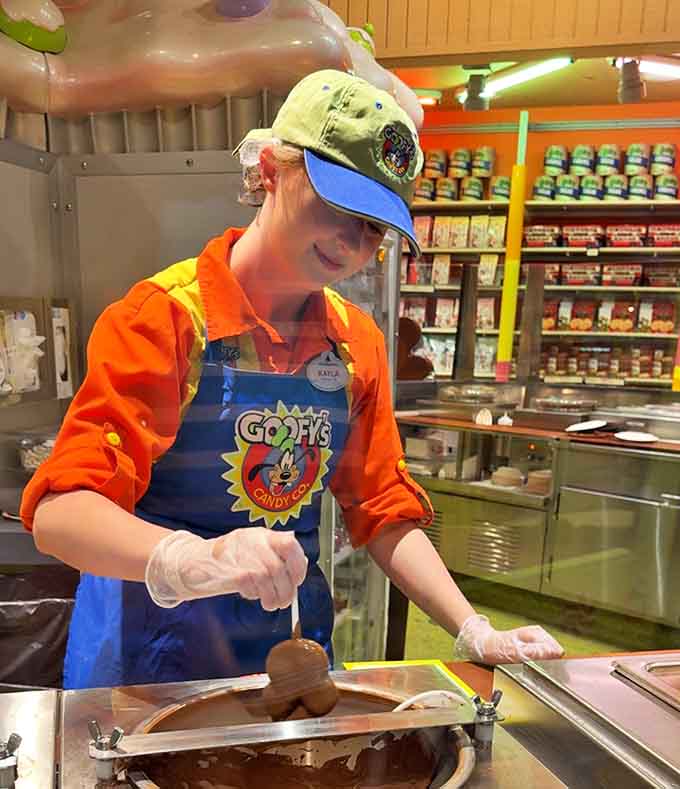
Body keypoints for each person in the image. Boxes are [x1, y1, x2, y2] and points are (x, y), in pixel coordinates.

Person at [20, 69, 563, 690]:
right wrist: (193, 557)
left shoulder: (356, 344)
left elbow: (381, 506)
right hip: (150, 664)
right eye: (337, 206)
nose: (352, 243)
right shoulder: (166, 320)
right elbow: (62, 513)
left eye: (373, 228)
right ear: (274, 170)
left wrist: (474, 629)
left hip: (290, 657)